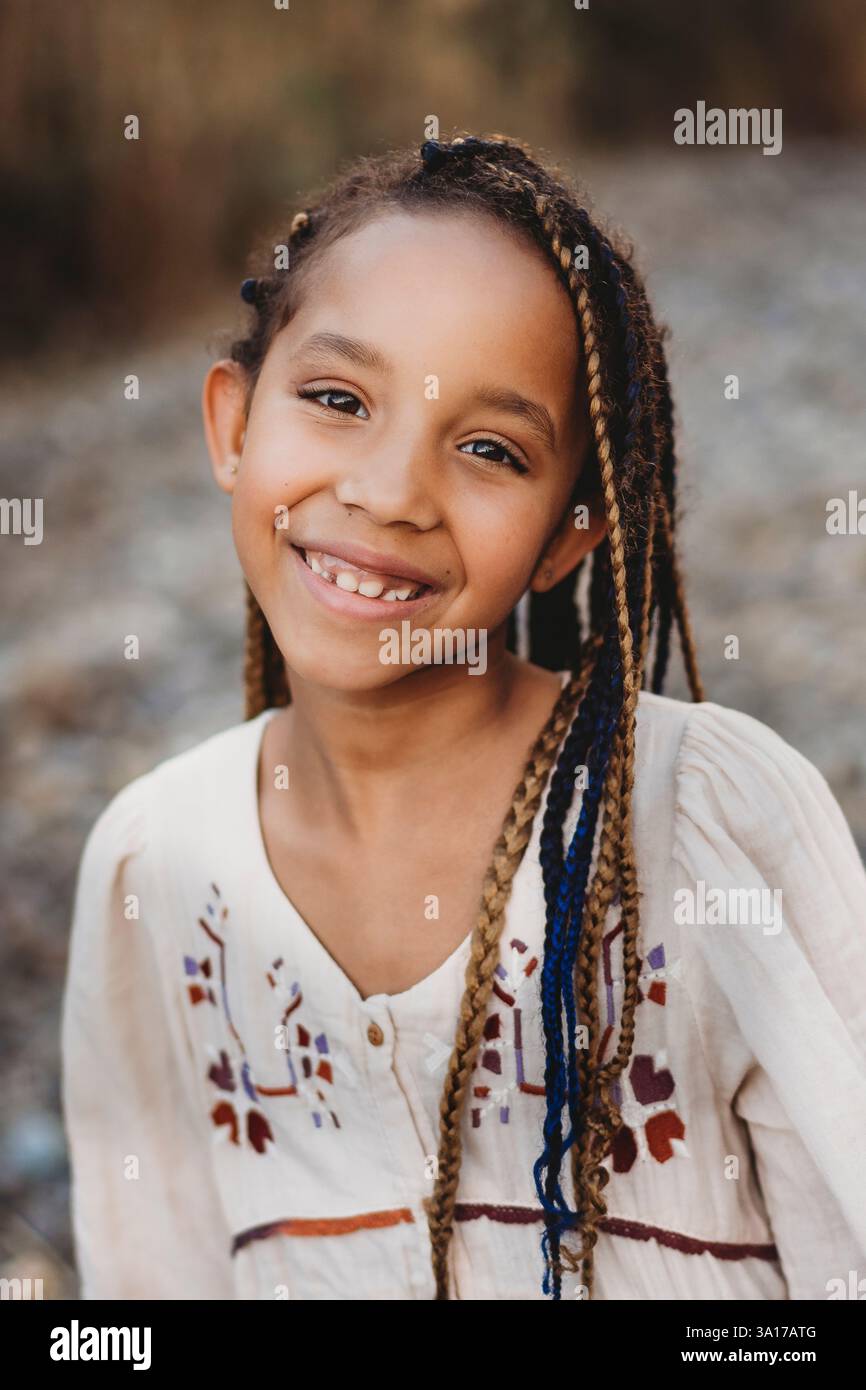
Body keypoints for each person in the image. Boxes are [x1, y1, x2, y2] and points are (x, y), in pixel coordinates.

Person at [61, 134, 866, 1301]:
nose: (387, 493)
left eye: (489, 448)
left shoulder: (704, 823)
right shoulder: (155, 863)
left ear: (568, 535)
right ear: (232, 425)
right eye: (336, 399)